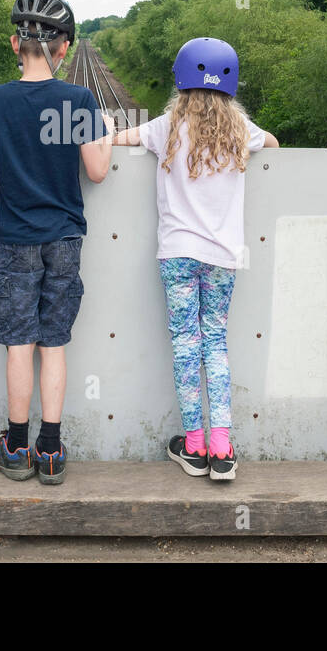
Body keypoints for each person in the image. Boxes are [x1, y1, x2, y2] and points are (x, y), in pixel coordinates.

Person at [112, 38, 277, 480]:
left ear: (180, 81)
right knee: (216, 344)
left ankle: (194, 446)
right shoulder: (241, 130)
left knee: (187, 344)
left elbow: (118, 140)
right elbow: (275, 144)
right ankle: (223, 450)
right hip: (224, 257)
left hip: (178, 254)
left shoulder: (165, 126)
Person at [0, 0, 112, 485]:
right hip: (65, 239)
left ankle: (15, 447)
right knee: (54, 343)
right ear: (64, 47)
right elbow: (97, 171)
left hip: (14, 240)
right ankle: (50, 450)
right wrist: (105, 129)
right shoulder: (78, 100)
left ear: (14, 44)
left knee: (18, 344)